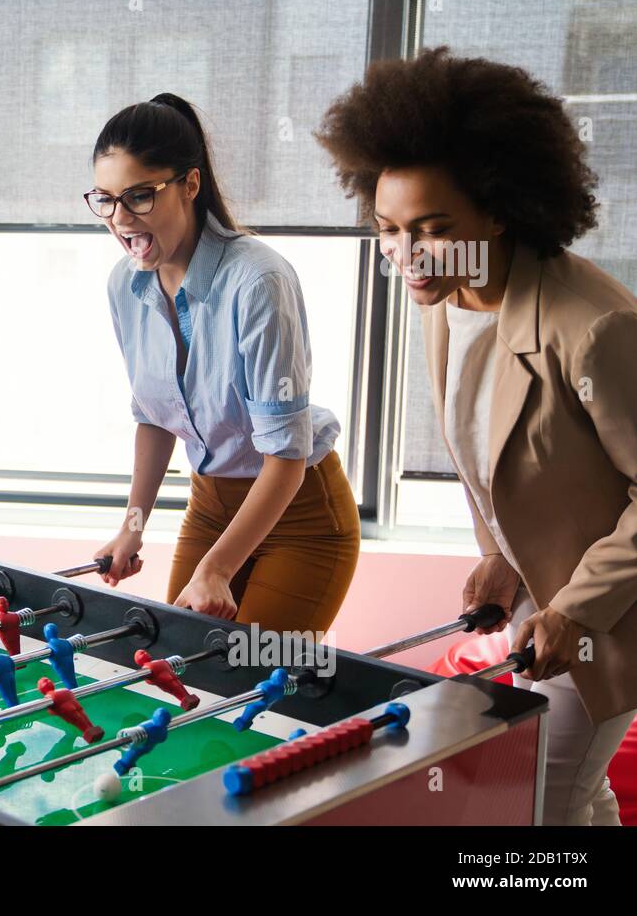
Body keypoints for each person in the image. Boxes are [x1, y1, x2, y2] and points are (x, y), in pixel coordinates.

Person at [316, 46, 637, 824]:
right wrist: (497, 556)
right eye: (389, 228)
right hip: (540, 598)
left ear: (498, 208)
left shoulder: (591, 327)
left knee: (525, 809)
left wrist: (575, 612)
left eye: (432, 228)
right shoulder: (446, 300)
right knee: (573, 798)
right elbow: (490, 454)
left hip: (608, 616)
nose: (406, 253)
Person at [89, 94, 360, 632]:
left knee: (254, 681)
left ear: (190, 185)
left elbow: (285, 456)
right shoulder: (126, 283)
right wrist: (133, 528)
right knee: (175, 667)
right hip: (211, 505)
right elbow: (153, 416)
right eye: (105, 199)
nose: (120, 220)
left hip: (300, 513)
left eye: (139, 196)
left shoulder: (259, 280)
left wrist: (216, 568)